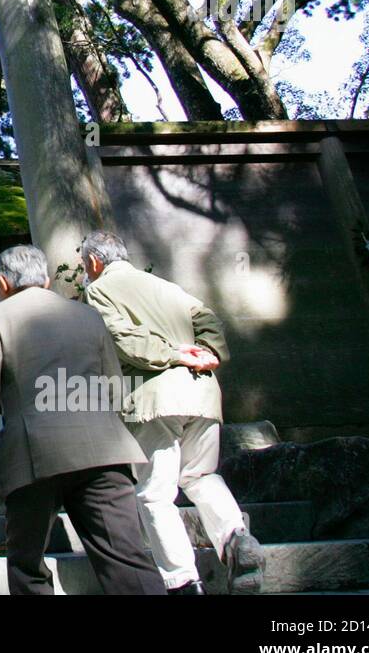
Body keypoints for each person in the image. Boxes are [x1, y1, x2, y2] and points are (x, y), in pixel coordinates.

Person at [0, 244, 166, 596]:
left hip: (32, 456)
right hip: (104, 451)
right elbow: (115, 389)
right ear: (45, 280)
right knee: (127, 561)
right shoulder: (88, 315)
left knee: (27, 566)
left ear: (2, 283)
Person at [79, 230, 266, 595]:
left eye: (86, 264)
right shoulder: (166, 286)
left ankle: (182, 580)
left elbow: (120, 338)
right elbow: (208, 318)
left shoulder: (99, 289)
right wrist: (210, 352)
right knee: (200, 475)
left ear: (95, 262)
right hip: (202, 393)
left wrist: (173, 354)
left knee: (154, 493)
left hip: (154, 400)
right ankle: (234, 536)